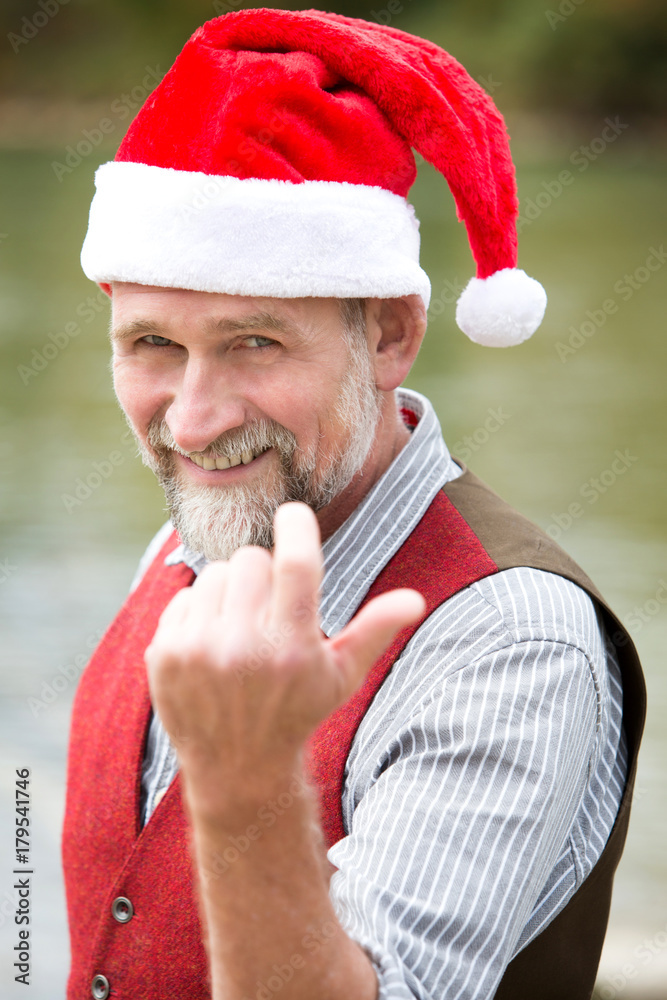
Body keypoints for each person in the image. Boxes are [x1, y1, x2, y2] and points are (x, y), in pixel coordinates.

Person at [62, 9, 645, 1000]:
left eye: (254, 343)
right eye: (152, 343)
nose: (193, 421)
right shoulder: (188, 540)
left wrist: (244, 780)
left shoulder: (510, 641)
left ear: (389, 336)